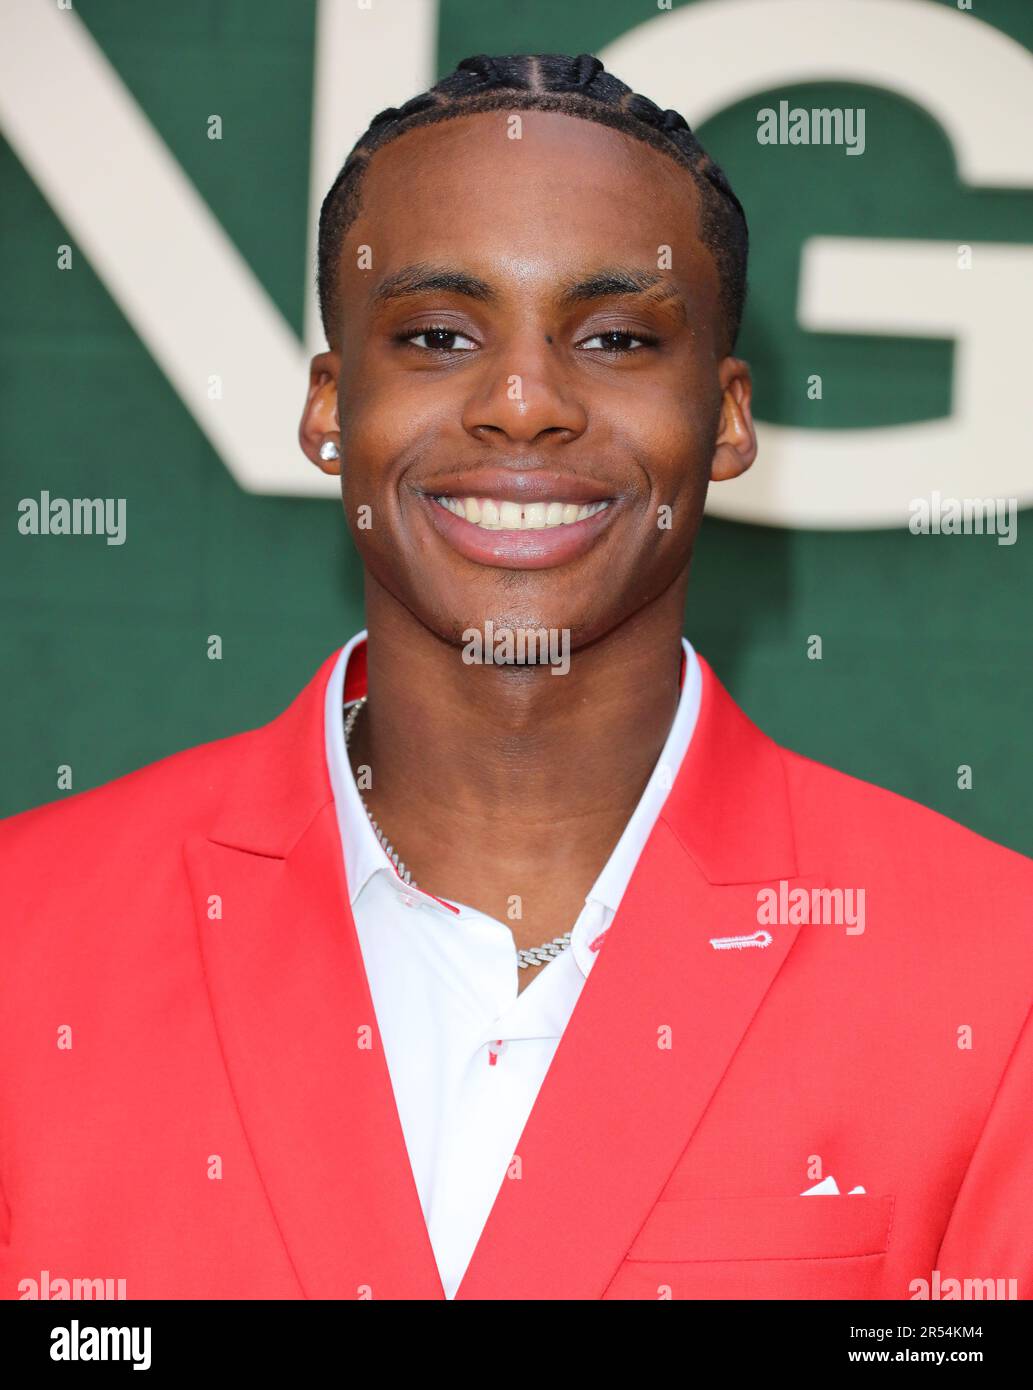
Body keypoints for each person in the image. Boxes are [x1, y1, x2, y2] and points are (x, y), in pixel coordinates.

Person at [1, 53, 1030, 1303]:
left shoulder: (991, 973)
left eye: (613, 336)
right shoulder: (29, 934)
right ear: (332, 403)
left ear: (727, 419)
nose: (523, 402)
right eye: (438, 335)